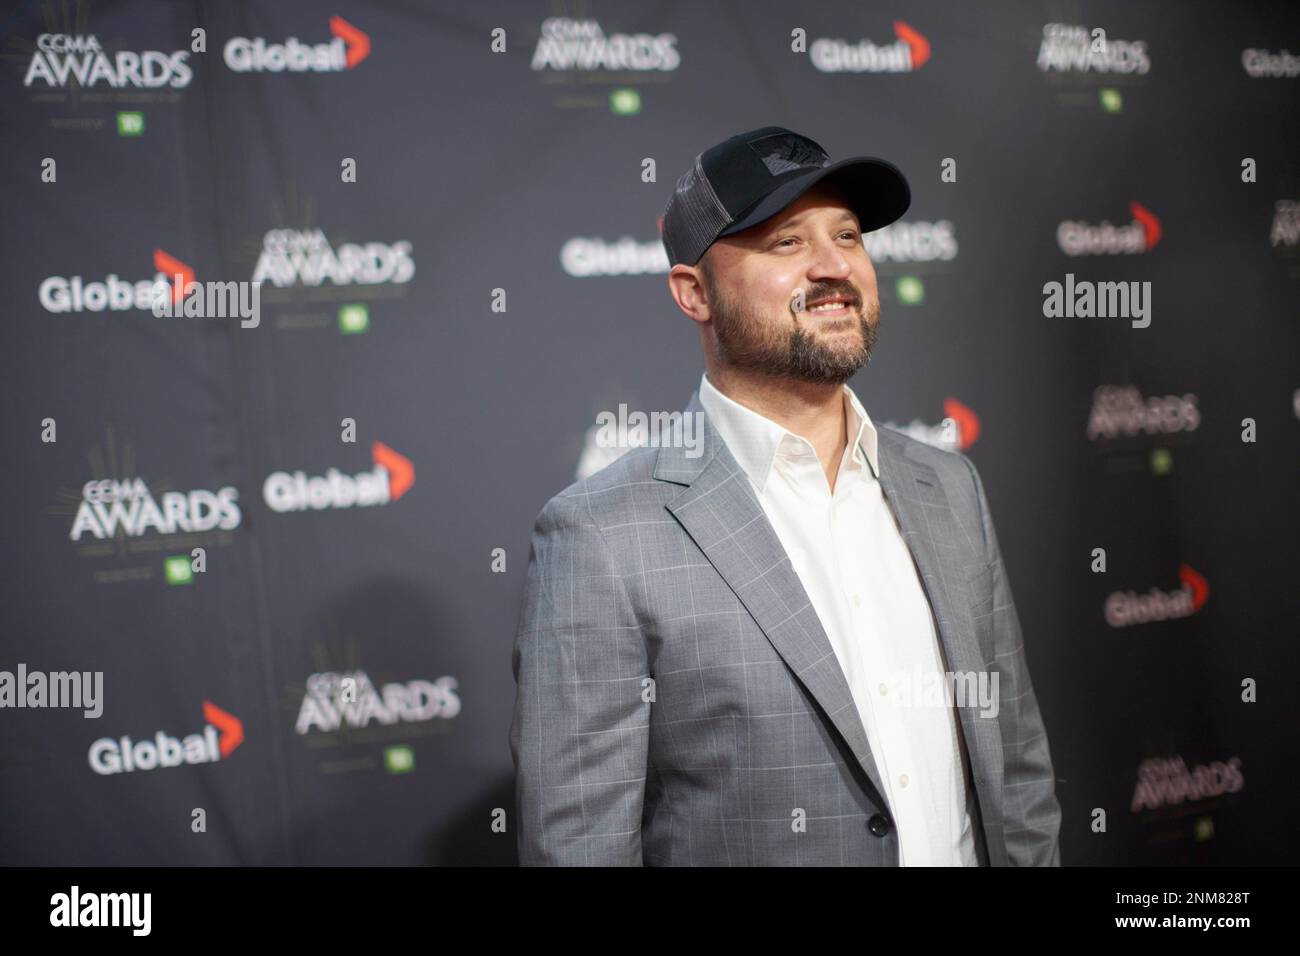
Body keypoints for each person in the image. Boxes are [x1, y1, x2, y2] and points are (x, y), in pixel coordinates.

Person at [509, 126, 1062, 865]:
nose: (836, 266)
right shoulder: (601, 538)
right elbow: (580, 848)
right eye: (786, 244)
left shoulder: (950, 487)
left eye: (848, 236)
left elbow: (1016, 768)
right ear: (694, 293)